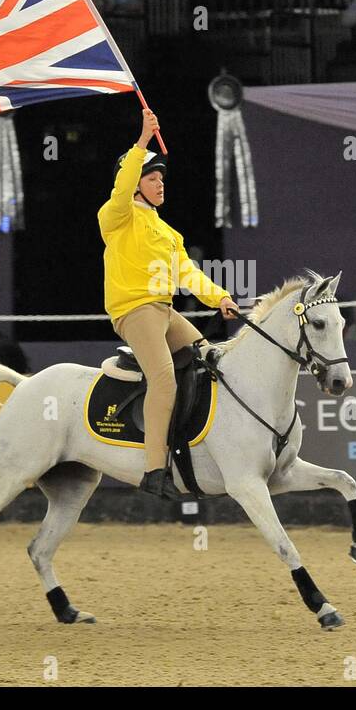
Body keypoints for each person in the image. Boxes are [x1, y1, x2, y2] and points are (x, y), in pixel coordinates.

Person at [99, 109, 240, 499]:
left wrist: (220, 297)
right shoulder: (116, 215)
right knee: (163, 380)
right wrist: (142, 141)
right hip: (135, 311)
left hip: (164, 311)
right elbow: (120, 188)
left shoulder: (167, 231)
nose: (160, 183)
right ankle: (153, 469)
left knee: (209, 357)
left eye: (161, 178)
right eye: (152, 178)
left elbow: (188, 274)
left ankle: (197, 440)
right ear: (134, 183)